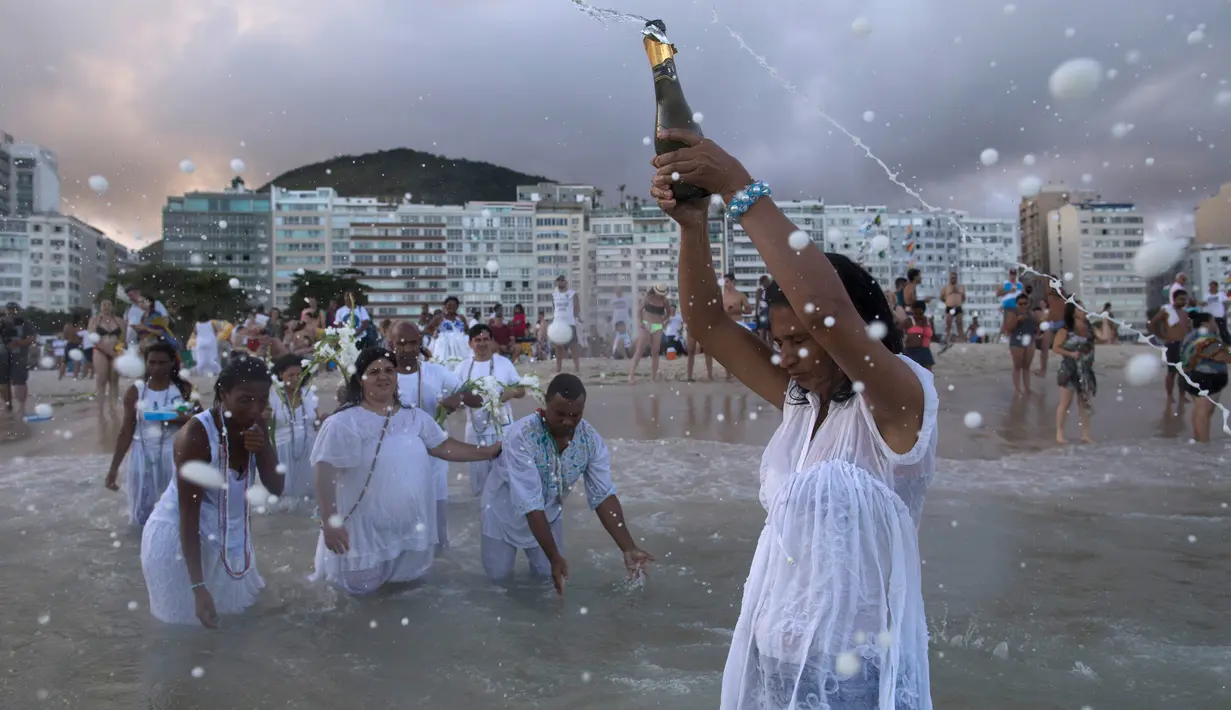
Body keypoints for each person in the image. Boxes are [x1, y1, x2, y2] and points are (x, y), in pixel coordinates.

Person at [653, 130, 935, 709]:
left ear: (860, 332)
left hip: (853, 674)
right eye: (779, 341)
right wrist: (693, 226)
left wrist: (736, 184)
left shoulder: (898, 405)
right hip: (773, 658)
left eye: (802, 342)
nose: (785, 358)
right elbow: (707, 327)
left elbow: (827, 311)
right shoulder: (802, 404)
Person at [311, 348, 501, 595]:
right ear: (360, 380)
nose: (383, 376)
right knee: (360, 607)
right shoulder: (344, 422)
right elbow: (324, 472)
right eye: (374, 371)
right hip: (363, 536)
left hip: (409, 532)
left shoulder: (415, 417)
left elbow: (443, 446)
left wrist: (486, 452)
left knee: (409, 598)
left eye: (389, 370)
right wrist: (329, 521)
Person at [140, 356, 282, 626]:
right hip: (177, 543)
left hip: (228, 537)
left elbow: (277, 488)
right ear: (223, 394)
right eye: (245, 399)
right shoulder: (196, 437)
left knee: (238, 627)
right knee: (184, 634)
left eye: (262, 399)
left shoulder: (257, 422)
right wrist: (198, 587)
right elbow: (188, 514)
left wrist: (263, 446)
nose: (255, 408)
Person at [480, 373, 653, 591]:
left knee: (546, 583)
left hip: (548, 516)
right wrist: (554, 556)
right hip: (502, 515)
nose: (568, 421)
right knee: (498, 582)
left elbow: (603, 495)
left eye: (575, 414)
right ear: (545, 405)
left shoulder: (590, 440)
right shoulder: (521, 436)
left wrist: (628, 547)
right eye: (560, 414)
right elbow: (530, 504)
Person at [391, 321, 482, 549]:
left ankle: (440, 575)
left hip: (435, 459)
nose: (408, 349)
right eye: (401, 344)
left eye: (413, 343)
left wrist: (459, 399)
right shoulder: (384, 376)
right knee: (401, 527)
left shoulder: (436, 372)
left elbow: (477, 398)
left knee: (439, 532)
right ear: (391, 344)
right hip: (396, 462)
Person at [104, 342, 196, 525]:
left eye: (162, 363)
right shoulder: (135, 392)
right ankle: (140, 548)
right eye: (152, 362)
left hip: (173, 455)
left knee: (175, 509)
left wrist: (180, 418)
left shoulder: (183, 390)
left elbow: (200, 421)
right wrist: (114, 468)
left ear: (172, 363)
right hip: (142, 455)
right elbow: (126, 431)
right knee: (142, 511)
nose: (156, 367)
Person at [453, 324, 526, 496]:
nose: (482, 344)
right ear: (470, 343)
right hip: (475, 430)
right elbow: (454, 397)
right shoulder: (462, 367)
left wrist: (510, 392)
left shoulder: (504, 363)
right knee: (479, 486)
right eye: (477, 340)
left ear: (492, 341)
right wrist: (461, 401)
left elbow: (521, 390)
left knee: (506, 482)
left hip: (503, 429)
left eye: (486, 339)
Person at [1053, 302, 1106, 444]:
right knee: (1065, 404)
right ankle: (1059, 433)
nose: (1083, 310)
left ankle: (1085, 435)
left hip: (1086, 371)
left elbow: (1104, 337)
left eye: (1083, 307)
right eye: (1079, 308)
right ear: (1073, 312)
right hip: (1069, 369)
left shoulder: (1090, 328)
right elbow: (1056, 348)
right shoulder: (1066, 329)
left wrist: (1105, 319)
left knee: (1084, 404)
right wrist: (1070, 353)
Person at [269, 354, 318, 507]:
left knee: (307, 500)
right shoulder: (272, 395)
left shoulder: (309, 393)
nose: (296, 378)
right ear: (280, 375)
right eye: (291, 375)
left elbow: (315, 421)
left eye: (299, 374)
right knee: (284, 499)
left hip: (308, 450)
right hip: (282, 451)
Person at [1179, 312, 1231, 442]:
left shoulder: (1190, 336)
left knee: (1200, 410)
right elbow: (1218, 355)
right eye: (1213, 321)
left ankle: (1199, 439)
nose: (1216, 325)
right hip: (1206, 377)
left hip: (1192, 376)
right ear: (1205, 323)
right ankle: (1203, 444)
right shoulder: (1205, 336)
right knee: (1204, 411)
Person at [1150, 289, 1193, 405]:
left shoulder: (1185, 313)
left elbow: (1189, 329)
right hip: (1172, 344)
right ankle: (1170, 396)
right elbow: (1153, 322)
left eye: (1185, 299)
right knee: (1171, 372)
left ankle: (1182, 396)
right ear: (1174, 299)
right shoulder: (1166, 310)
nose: (1183, 302)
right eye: (1181, 299)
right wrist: (1160, 336)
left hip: (1185, 345)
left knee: (1184, 373)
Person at [87, 300, 125, 420]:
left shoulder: (119, 321)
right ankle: (100, 409)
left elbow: (123, 338)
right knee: (101, 380)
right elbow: (93, 338)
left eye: (109, 304)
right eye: (104, 305)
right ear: (100, 307)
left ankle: (112, 408)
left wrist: (117, 351)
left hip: (116, 351)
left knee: (114, 380)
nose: (106, 307)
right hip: (100, 351)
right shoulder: (94, 320)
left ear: (113, 307)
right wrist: (110, 352)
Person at [627, 284, 669, 383]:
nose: (660, 295)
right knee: (640, 350)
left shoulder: (664, 300)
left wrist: (664, 321)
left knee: (655, 352)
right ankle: (631, 375)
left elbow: (669, 312)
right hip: (646, 324)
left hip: (657, 326)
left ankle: (653, 377)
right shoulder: (647, 297)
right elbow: (639, 310)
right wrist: (641, 322)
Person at [0, 302, 36, 419]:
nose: (11, 312)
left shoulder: (25, 323)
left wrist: (17, 343)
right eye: (9, 310)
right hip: (4, 355)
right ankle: (9, 405)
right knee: (4, 383)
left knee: (18, 382)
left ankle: (20, 407)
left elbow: (31, 338)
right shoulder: (2, 322)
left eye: (13, 310)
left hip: (18, 355)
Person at [1004, 294, 1037, 395]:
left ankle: (1027, 387)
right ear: (1017, 304)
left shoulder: (1031, 314)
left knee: (1027, 366)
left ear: (1028, 304)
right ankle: (1017, 388)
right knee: (1017, 365)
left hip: (1029, 340)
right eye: (1020, 304)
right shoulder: (1013, 312)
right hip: (1017, 341)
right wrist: (1017, 320)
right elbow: (1008, 328)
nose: (1023, 306)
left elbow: (1036, 326)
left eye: (1025, 303)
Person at [426, 296, 471, 365]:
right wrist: (434, 333)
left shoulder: (461, 317)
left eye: (453, 305)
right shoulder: (439, 317)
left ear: (457, 306)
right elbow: (427, 329)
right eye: (449, 305)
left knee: (462, 364)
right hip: (444, 346)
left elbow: (467, 330)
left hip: (461, 347)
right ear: (445, 306)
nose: (450, 307)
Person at [1034, 284, 1067, 376]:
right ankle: (1043, 369)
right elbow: (1053, 312)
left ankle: (1043, 369)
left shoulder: (1060, 298)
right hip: (1055, 324)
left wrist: (1045, 319)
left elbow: (1056, 313)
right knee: (1045, 346)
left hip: (1060, 323)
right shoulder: (1053, 297)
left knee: (1050, 346)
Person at [551, 275, 582, 374]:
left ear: (566, 282)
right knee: (558, 347)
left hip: (569, 323)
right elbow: (554, 308)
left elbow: (577, 308)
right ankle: (558, 368)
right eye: (559, 281)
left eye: (562, 280)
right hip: (558, 324)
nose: (560, 282)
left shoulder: (572, 294)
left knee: (573, 346)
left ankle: (577, 367)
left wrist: (577, 316)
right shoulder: (554, 294)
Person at [123, 286, 167, 351]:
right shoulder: (139, 314)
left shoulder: (155, 313)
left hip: (153, 346)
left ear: (149, 303)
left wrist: (145, 328)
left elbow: (162, 331)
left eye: (142, 302)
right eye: (139, 302)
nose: (140, 304)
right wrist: (136, 329)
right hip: (137, 345)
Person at [903, 300, 935, 370]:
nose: (918, 316)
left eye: (920, 313)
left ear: (924, 311)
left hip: (925, 351)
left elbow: (934, 337)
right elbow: (898, 332)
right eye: (915, 313)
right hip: (911, 351)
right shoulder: (908, 321)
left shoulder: (928, 321)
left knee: (927, 375)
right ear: (913, 311)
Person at [939, 271, 966, 350]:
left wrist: (959, 301)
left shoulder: (961, 287)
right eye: (952, 278)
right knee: (948, 324)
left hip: (958, 307)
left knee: (959, 323)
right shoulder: (946, 288)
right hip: (949, 307)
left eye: (954, 278)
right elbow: (941, 297)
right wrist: (947, 301)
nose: (953, 279)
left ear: (957, 278)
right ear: (950, 279)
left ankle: (962, 339)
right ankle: (947, 340)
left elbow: (964, 297)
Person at [192, 312, 221, 377]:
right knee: (212, 358)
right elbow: (216, 331)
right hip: (211, 342)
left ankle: (200, 372)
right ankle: (217, 371)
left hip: (201, 343)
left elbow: (195, 333)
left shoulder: (197, 324)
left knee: (201, 359)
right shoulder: (211, 323)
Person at [754, 275, 772, 344]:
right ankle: (763, 346)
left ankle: (770, 348)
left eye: (768, 281)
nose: (768, 282)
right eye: (766, 281)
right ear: (762, 282)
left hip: (770, 311)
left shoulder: (770, 290)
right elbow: (757, 302)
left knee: (770, 332)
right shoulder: (760, 290)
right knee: (763, 331)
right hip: (763, 311)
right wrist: (756, 314)